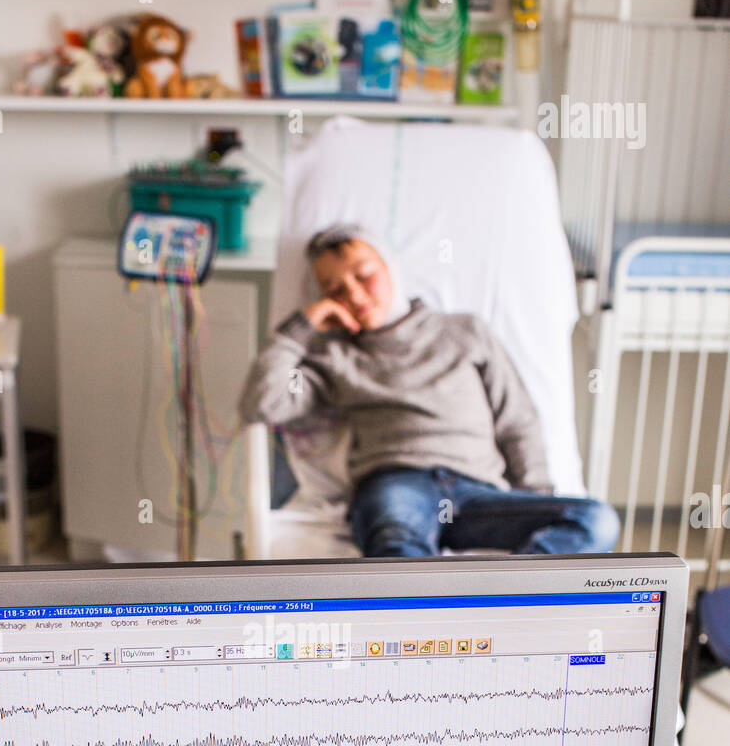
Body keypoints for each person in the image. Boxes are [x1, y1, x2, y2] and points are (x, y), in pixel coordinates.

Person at [238, 223, 620, 559]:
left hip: (480, 495)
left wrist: (532, 499)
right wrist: (302, 326)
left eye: (363, 276)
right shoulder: (335, 356)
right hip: (398, 486)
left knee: (595, 520)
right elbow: (262, 403)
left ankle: (497, 598)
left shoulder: (464, 332)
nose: (352, 294)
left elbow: (516, 420)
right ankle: (431, 622)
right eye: (332, 289)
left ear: (391, 269)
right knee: (396, 541)